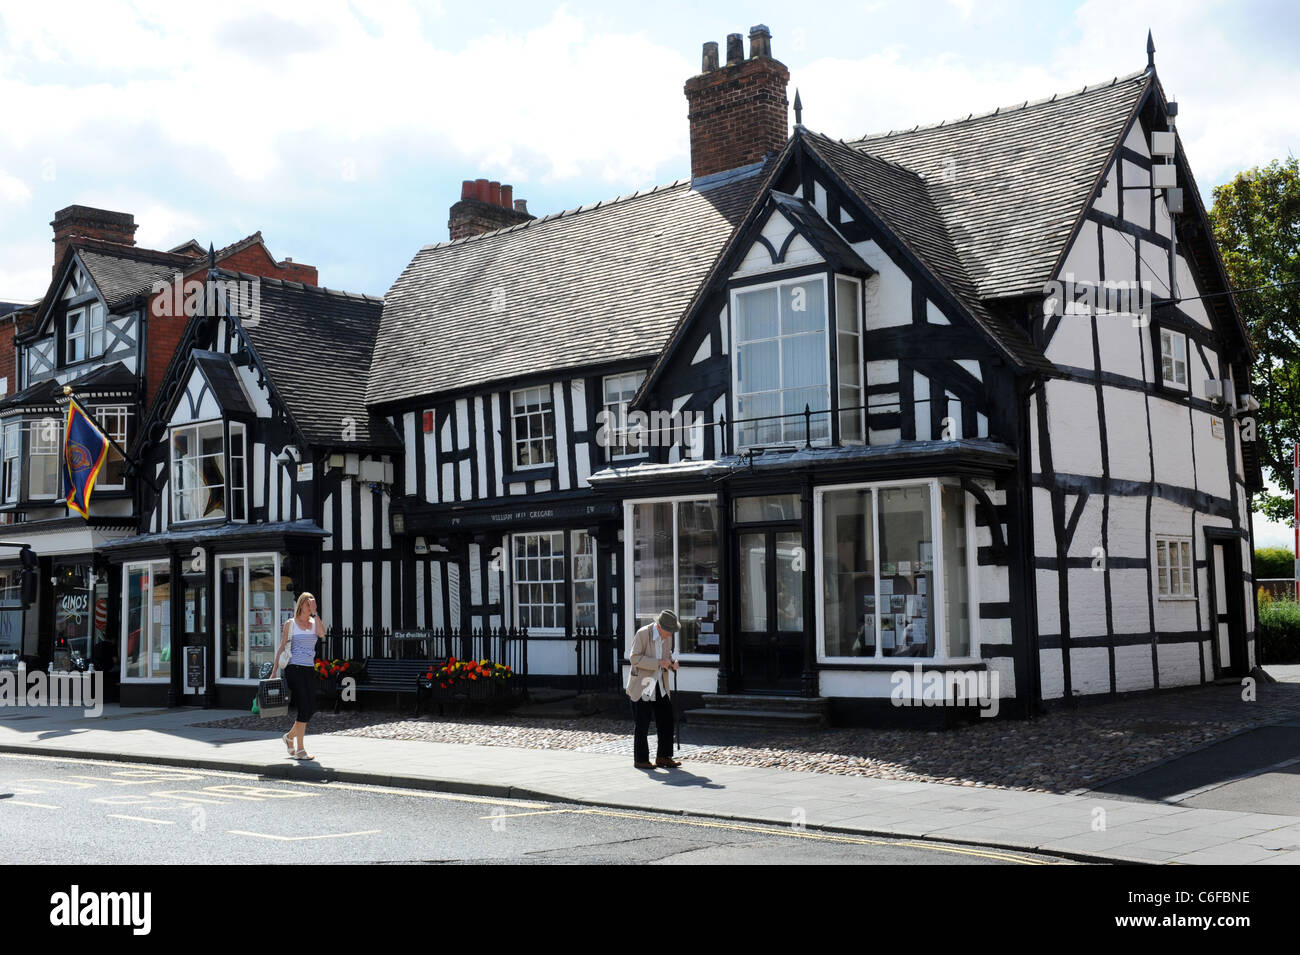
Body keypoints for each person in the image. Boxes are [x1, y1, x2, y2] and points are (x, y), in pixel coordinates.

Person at [625, 609, 681, 770]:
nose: (670, 635)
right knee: (642, 722)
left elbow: (667, 656)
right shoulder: (643, 634)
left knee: (666, 719)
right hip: (644, 683)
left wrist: (672, 663)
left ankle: (663, 757)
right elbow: (634, 658)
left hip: (660, 684)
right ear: (660, 627)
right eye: (669, 632)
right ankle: (641, 759)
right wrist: (658, 663)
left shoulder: (667, 639)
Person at [272, 593, 325, 760]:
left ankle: (289, 737)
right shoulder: (291, 624)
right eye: (309, 605)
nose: (311, 608)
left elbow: (322, 634)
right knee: (303, 706)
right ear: (301, 605)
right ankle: (300, 749)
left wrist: (316, 614)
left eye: (313, 605)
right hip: (293, 668)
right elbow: (282, 647)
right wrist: (274, 671)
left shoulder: (313, 623)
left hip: (309, 668)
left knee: (311, 708)